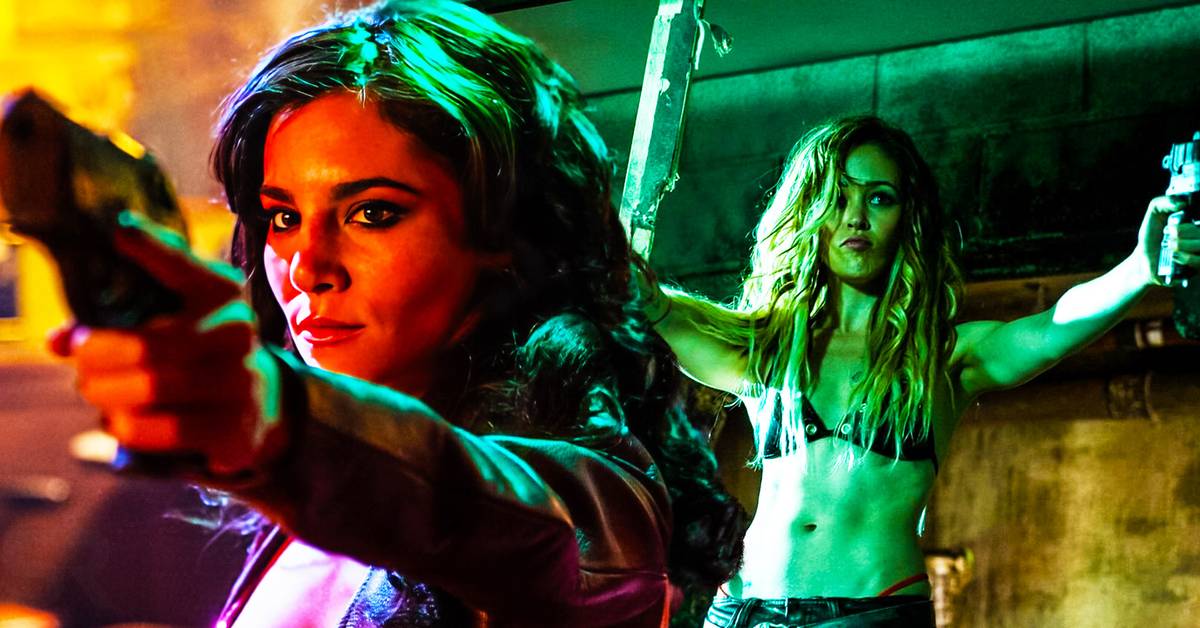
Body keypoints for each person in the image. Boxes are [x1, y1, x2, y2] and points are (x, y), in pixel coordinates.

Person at [50, 2, 747, 626]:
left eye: (372, 213)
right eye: (283, 217)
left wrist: (276, 419)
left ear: (506, 238)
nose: (306, 267)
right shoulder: (303, 501)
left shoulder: (596, 503)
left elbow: (511, 523)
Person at [638, 115, 1199, 627]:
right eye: (837, 196)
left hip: (869, 614)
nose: (855, 217)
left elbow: (1053, 327)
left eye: (879, 198)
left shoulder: (944, 357)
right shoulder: (767, 347)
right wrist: (609, 266)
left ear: (907, 217)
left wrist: (1138, 270)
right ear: (810, 210)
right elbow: (657, 309)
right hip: (741, 611)